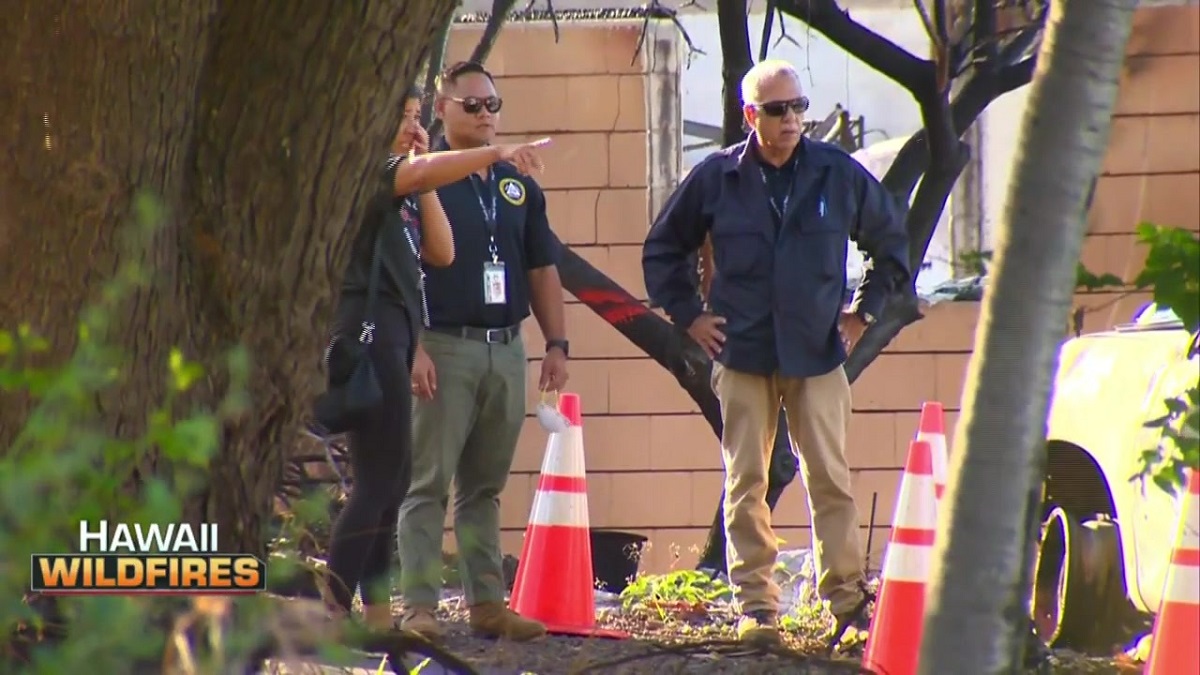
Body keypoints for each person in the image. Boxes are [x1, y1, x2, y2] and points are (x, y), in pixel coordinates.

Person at [641, 59, 911, 646]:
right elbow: (663, 249)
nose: (791, 120)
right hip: (742, 351)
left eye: (798, 107)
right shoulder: (716, 177)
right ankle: (757, 608)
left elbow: (890, 246)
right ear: (750, 116)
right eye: (777, 109)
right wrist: (689, 316)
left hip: (816, 352)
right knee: (746, 482)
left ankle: (845, 600)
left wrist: (862, 314)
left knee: (830, 480)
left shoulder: (836, 173)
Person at [318, 86, 552, 630]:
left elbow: (441, 251)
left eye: (414, 117)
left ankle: (376, 617)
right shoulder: (365, 172)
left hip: (397, 334)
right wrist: (495, 153)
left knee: (391, 479)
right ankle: (330, 609)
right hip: (369, 334)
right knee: (381, 481)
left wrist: (421, 171)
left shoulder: (406, 182)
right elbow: (415, 176)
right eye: (401, 117)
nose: (411, 126)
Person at [397, 60, 569, 643]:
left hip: (505, 346)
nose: (485, 115)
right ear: (441, 108)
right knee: (427, 482)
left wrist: (556, 342)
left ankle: (487, 603)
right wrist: (413, 344)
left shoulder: (516, 183)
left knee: (485, 487)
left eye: (493, 105)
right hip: (445, 343)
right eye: (472, 105)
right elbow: (401, 266)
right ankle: (419, 605)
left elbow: (542, 266)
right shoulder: (424, 174)